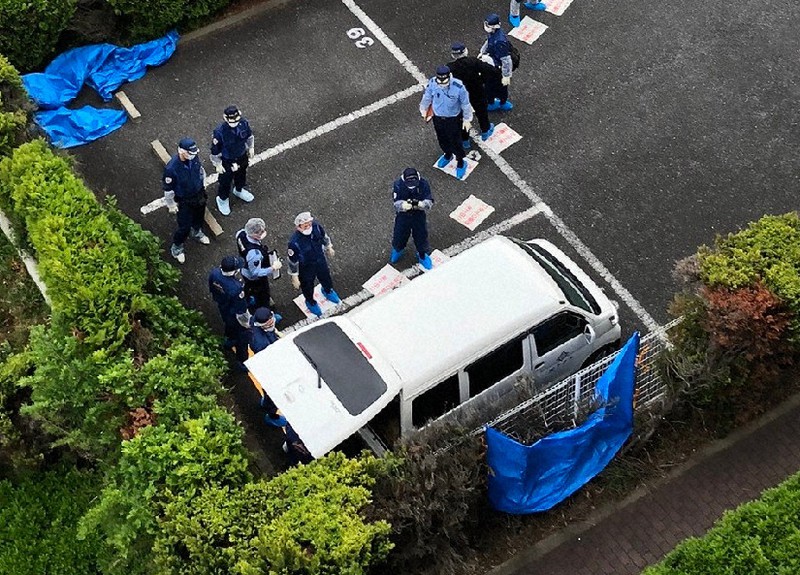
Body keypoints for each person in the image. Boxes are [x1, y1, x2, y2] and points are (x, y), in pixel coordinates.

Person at [419, 65, 473, 180]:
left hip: (453, 119)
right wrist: (423, 108)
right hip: (438, 118)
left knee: (456, 141)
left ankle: (460, 161)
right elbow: (427, 96)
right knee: (442, 138)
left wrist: (467, 119)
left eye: (444, 82)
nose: (442, 84)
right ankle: (447, 154)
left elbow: (465, 104)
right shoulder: (433, 83)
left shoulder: (458, 87)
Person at [163, 137, 210, 264]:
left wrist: (202, 183)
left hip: (199, 193)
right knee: (184, 226)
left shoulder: (194, 158)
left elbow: (200, 170)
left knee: (199, 216)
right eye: (190, 153)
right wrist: (171, 204)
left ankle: (197, 232)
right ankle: (177, 247)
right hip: (184, 200)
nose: (193, 155)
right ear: (181, 151)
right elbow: (168, 189)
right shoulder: (171, 169)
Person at [287, 211, 340, 317]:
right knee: (307, 285)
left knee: (325, 277)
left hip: (320, 259)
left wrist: (329, 247)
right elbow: (292, 260)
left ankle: (327, 290)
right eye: (305, 226)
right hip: (306, 266)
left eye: (309, 224)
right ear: (298, 227)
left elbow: (324, 237)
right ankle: (310, 301)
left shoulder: (316, 227)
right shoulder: (294, 242)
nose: (308, 227)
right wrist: (294, 276)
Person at [447, 42, 500, 147]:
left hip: (461, 96)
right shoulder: (473, 62)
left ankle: (465, 140)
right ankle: (485, 130)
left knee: (464, 117)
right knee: (481, 111)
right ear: (465, 51)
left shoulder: (450, 67)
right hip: (477, 91)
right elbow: (491, 71)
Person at [210, 105, 255, 216]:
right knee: (225, 181)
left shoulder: (243, 123)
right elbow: (215, 150)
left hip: (241, 155)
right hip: (227, 160)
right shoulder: (220, 132)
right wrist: (217, 164)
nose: (234, 122)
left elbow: (249, 136)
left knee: (241, 174)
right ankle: (222, 198)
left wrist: (251, 147)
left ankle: (239, 189)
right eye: (232, 120)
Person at [208, 255, 250, 370]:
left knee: (228, 324)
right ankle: (242, 361)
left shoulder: (215, 273)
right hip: (234, 312)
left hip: (223, 306)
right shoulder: (236, 288)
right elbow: (241, 310)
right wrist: (247, 324)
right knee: (242, 338)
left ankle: (229, 341)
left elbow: (212, 289)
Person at [248, 307, 287, 428]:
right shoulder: (261, 344)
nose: (272, 323)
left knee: (268, 393)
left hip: (263, 367)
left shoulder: (254, 321)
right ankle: (271, 415)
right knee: (274, 395)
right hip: (269, 372)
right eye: (269, 323)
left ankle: (265, 403)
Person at [391, 168, 435, 270]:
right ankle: (398, 249)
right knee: (399, 234)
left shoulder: (423, 184)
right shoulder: (398, 185)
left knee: (421, 235)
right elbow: (396, 202)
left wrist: (422, 204)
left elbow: (429, 200)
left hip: (418, 214)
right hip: (403, 216)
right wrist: (402, 205)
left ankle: (422, 254)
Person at [235, 217, 282, 312]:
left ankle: (249, 297)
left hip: (244, 269)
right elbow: (256, 273)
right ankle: (263, 309)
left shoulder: (241, 233)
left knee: (249, 287)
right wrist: (273, 268)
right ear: (254, 234)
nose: (263, 232)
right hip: (254, 278)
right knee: (263, 294)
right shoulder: (254, 254)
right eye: (260, 232)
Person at [479, 13, 514, 112]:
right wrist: (482, 51)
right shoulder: (494, 34)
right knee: (491, 86)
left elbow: (506, 60)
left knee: (497, 87)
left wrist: (506, 75)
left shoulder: (500, 42)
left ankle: (500, 102)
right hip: (492, 64)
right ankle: (494, 101)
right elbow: (488, 42)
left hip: (497, 68)